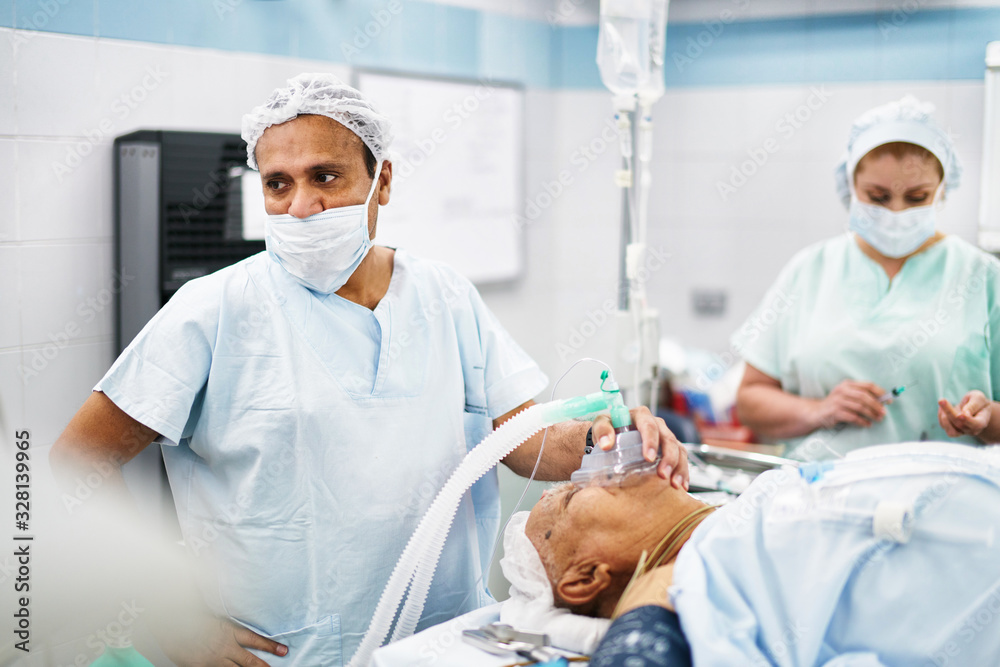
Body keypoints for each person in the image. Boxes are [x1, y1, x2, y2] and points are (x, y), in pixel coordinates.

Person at [49, 73, 689, 667]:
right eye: (278, 183)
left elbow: (523, 440)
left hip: (441, 640)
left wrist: (614, 433)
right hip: (280, 650)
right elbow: (79, 459)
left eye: (325, 176)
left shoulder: (443, 296)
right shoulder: (213, 310)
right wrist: (165, 622)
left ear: (381, 181)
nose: (301, 206)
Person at [525, 443, 1000, 666]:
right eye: (572, 494)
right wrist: (643, 616)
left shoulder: (743, 513)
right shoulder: (702, 588)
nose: (597, 472)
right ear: (586, 577)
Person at [733, 96, 1000, 460]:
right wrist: (818, 410)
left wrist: (987, 419)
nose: (896, 211)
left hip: (944, 502)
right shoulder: (810, 270)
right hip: (818, 497)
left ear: (942, 190)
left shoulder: (982, 277)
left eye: (917, 197)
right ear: (851, 186)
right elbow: (749, 401)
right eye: (877, 197)